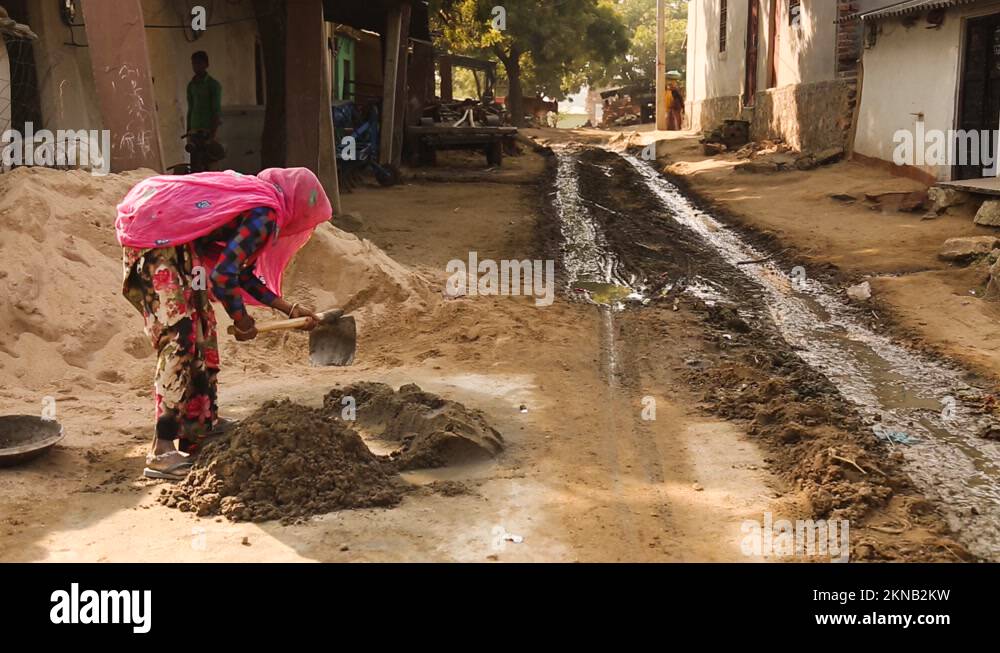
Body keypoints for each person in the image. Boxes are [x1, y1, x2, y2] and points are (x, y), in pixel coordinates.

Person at [116, 168, 333, 480]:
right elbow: (223, 277)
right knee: (178, 337)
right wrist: (242, 319)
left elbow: (240, 272)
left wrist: (290, 309)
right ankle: (161, 450)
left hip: (175, 243)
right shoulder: (265, 212)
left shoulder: (260, 204)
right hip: (155, 241)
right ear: (299, 208)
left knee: (201, 328)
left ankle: (200, 426)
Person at [186, 51, 224, 172]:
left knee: (210, 166)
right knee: (196, 167)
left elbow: (216, 111)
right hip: (194, 132)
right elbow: (190, 109)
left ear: (206, 64)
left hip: (208, 132)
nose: (196, 66)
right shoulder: (191, 85)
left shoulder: (213, 85)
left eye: (199, 63)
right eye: (194, 63)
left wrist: (212, 136)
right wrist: (188, 132)